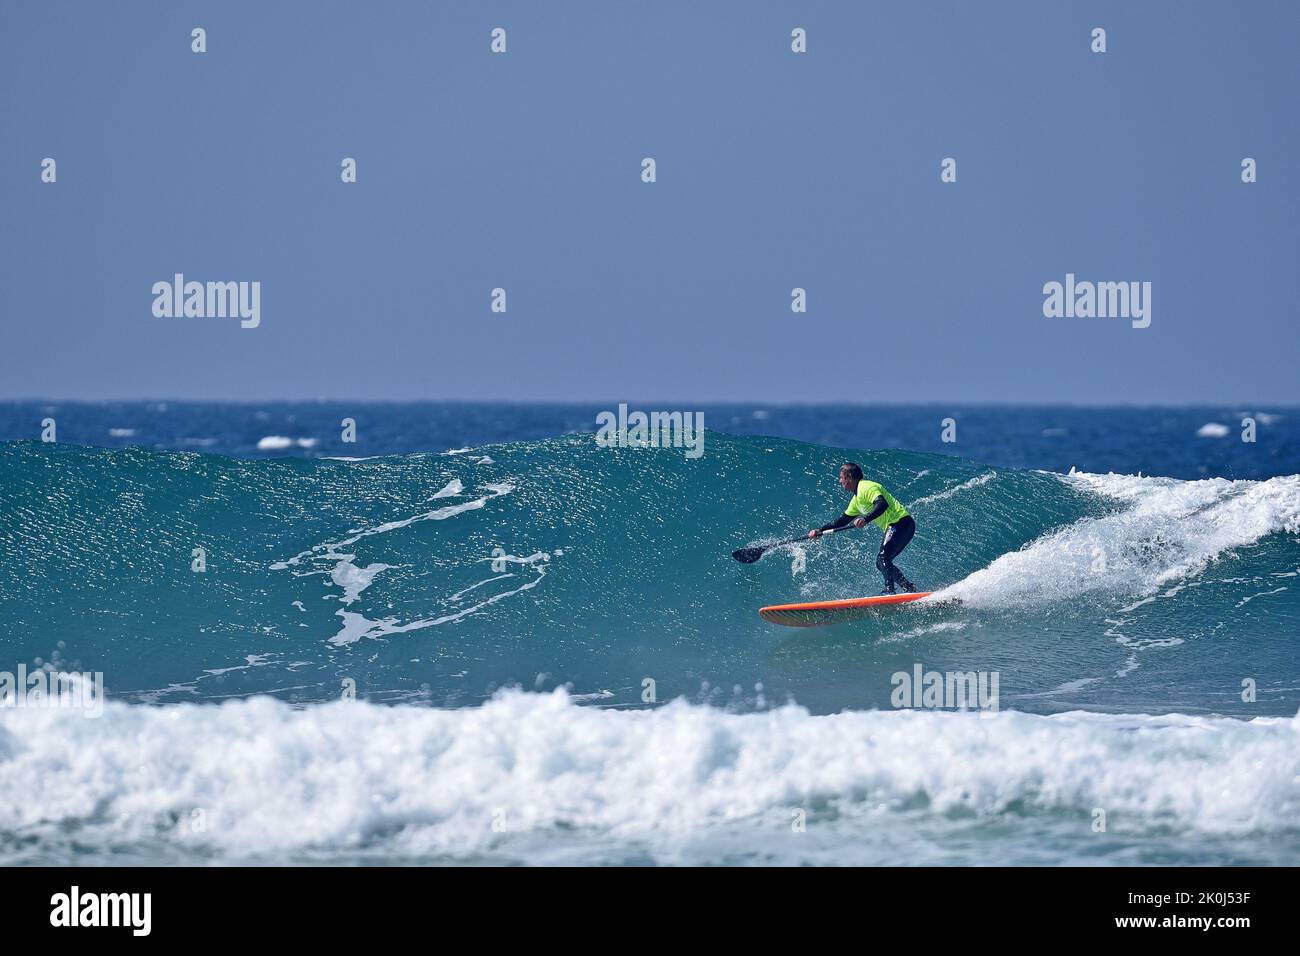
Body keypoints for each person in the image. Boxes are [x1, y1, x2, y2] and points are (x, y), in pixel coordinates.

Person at [808, 463, 917, 594]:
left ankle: (889, 590)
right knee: (881, 562)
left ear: (849, 477)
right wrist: (820, 531)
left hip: (900, 523)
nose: (840, 481)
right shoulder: (856, 499)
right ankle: (908, 588)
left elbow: (882, 504)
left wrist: (865, 519)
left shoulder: (866, 487)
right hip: (900, 526)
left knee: (883, 559)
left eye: (841, 477)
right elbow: (842, 521)